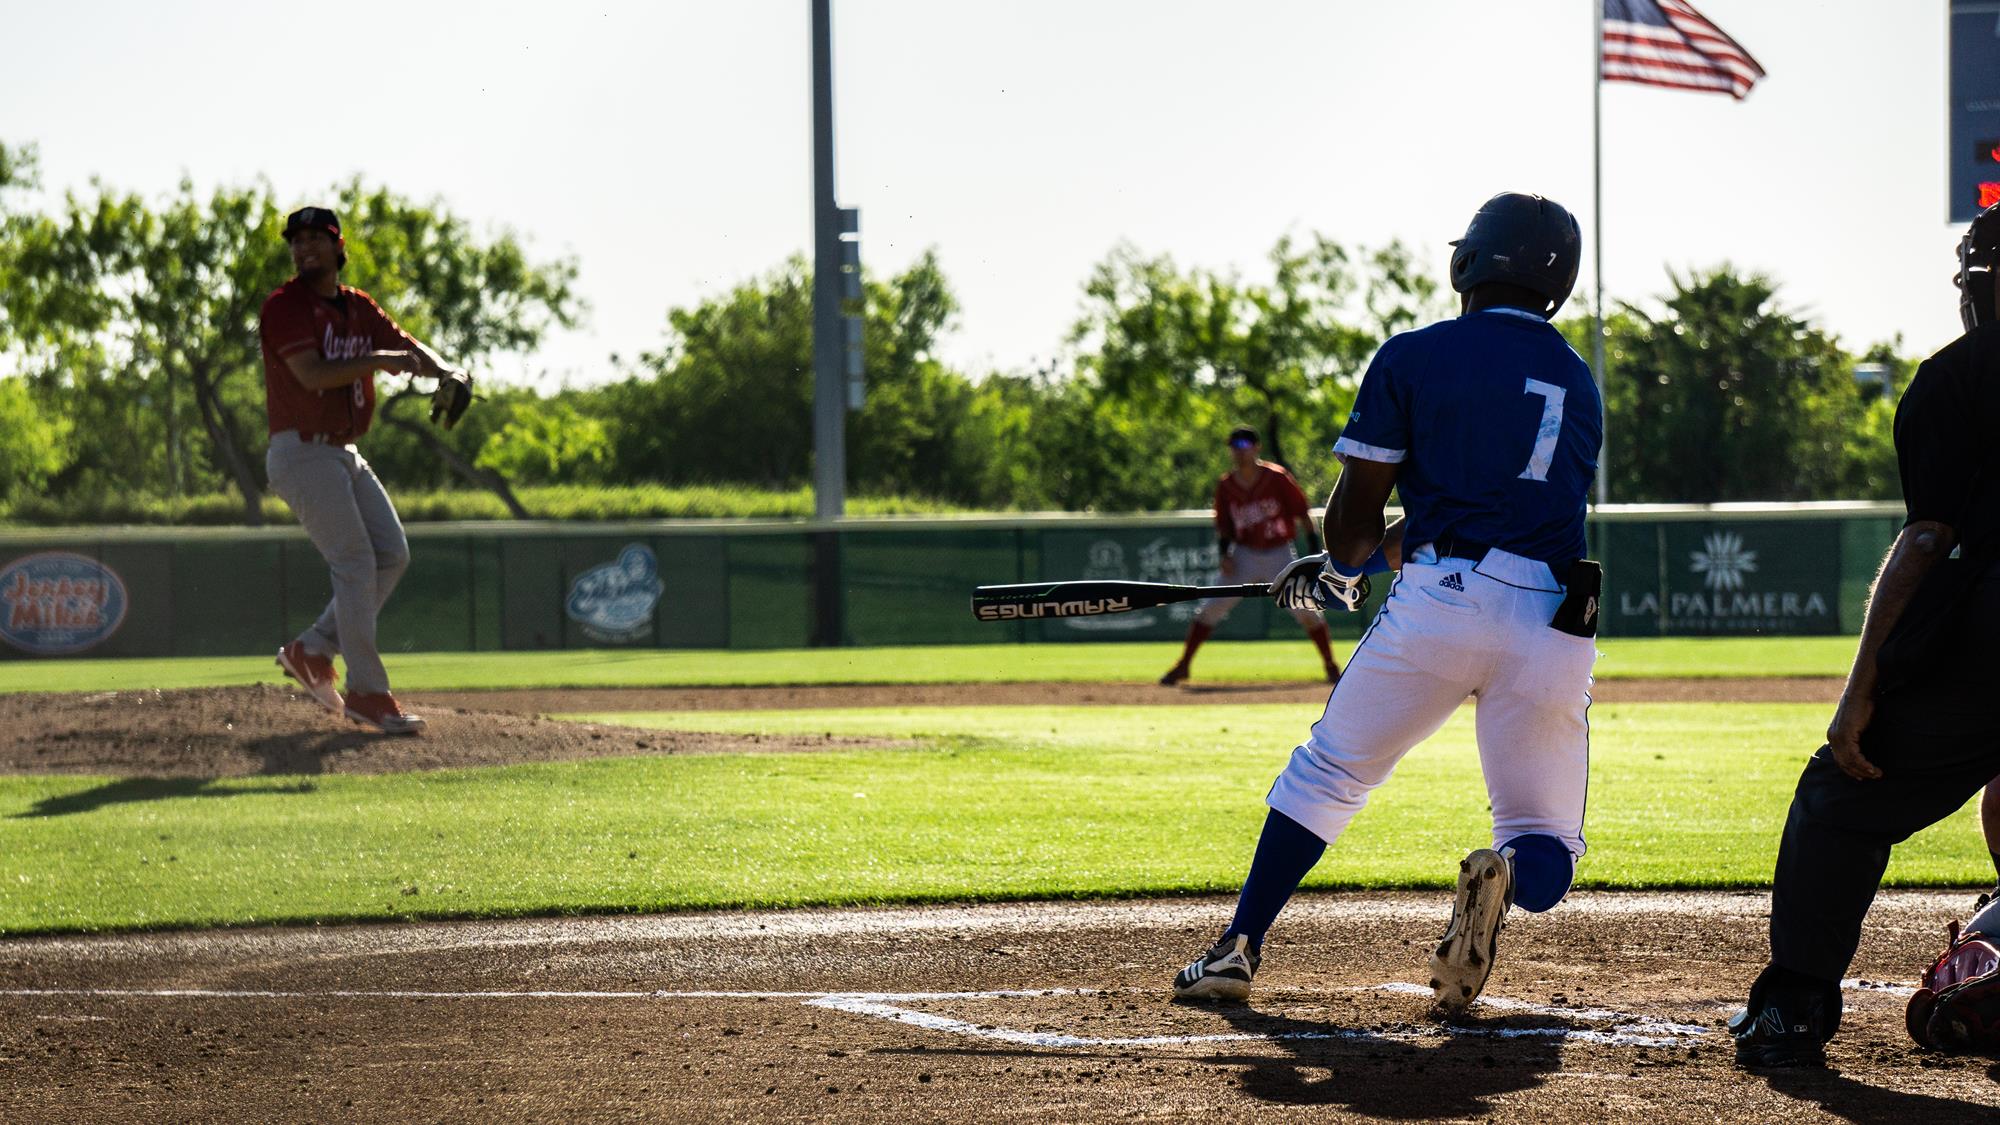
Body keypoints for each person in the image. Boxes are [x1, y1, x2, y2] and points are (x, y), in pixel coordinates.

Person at [1171, 192, 1602, 1013]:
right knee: (1544, 843)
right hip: (1551, 614)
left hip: (1440, 602)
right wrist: (1354, 558)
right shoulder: (1579, 381)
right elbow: (1491, 510)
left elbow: (1358, 518)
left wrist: (1340, 562)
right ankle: (1503, 876)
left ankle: (1238, 945)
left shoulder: (1415, 355)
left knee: (1330, 771)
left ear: (1470, 262)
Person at [1732, 201, 2000, 1067]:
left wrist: (1860, 691)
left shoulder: (1957, 376)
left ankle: (1793, 1011)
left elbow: (1929, 539)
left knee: (1840, 800)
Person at [261, 205, 465, 736]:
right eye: (296, 241)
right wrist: (378, 360)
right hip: (301, 451)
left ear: (337, 246)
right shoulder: (285, 306)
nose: (303, 248)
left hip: (342, 452)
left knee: (391, 554)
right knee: (354, 561)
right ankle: (368, 693)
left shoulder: (356, 306)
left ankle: (311, 650)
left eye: (315, 239)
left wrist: (447, 370)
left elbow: (405, 346)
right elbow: (310, 375)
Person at [1159, 426, 1341, 686]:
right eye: (1234, 446)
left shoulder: (1276, 477)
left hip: (1279, 553)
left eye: (1244, 445)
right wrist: (1225, 555)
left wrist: (1312, 554)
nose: (1238, 451)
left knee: (1306, 609)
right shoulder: (1226, 485)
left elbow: (1303, 515)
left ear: (1256, 447)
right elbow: (1223, 526)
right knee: (1209, 608)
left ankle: (1331, 666)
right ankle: (1184, 665)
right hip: (1244, 554)